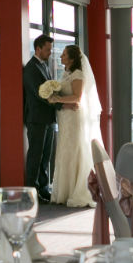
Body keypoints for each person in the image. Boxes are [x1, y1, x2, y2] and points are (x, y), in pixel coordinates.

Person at [47, 44, 102, 208]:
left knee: (74, 149)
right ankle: (64, 191)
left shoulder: (77, 74)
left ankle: (76, 190)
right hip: (65, 119)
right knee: (65, 149)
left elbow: (77, 97)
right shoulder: (66, 74)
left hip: (74, 118)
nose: (61, 57)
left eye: (64, 55)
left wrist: (56, 99)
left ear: (71, 59)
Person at [22, 35, 58, 201]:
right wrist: (61, 103)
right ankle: (31, 193)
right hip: (36, 119)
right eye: (48, 49)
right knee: (35, 156)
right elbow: (40, 94)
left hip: (48, 119)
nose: (50, 53)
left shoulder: (44, 66)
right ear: (38, 49)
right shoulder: (30, 68)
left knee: (45, 156)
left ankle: (43, 188)